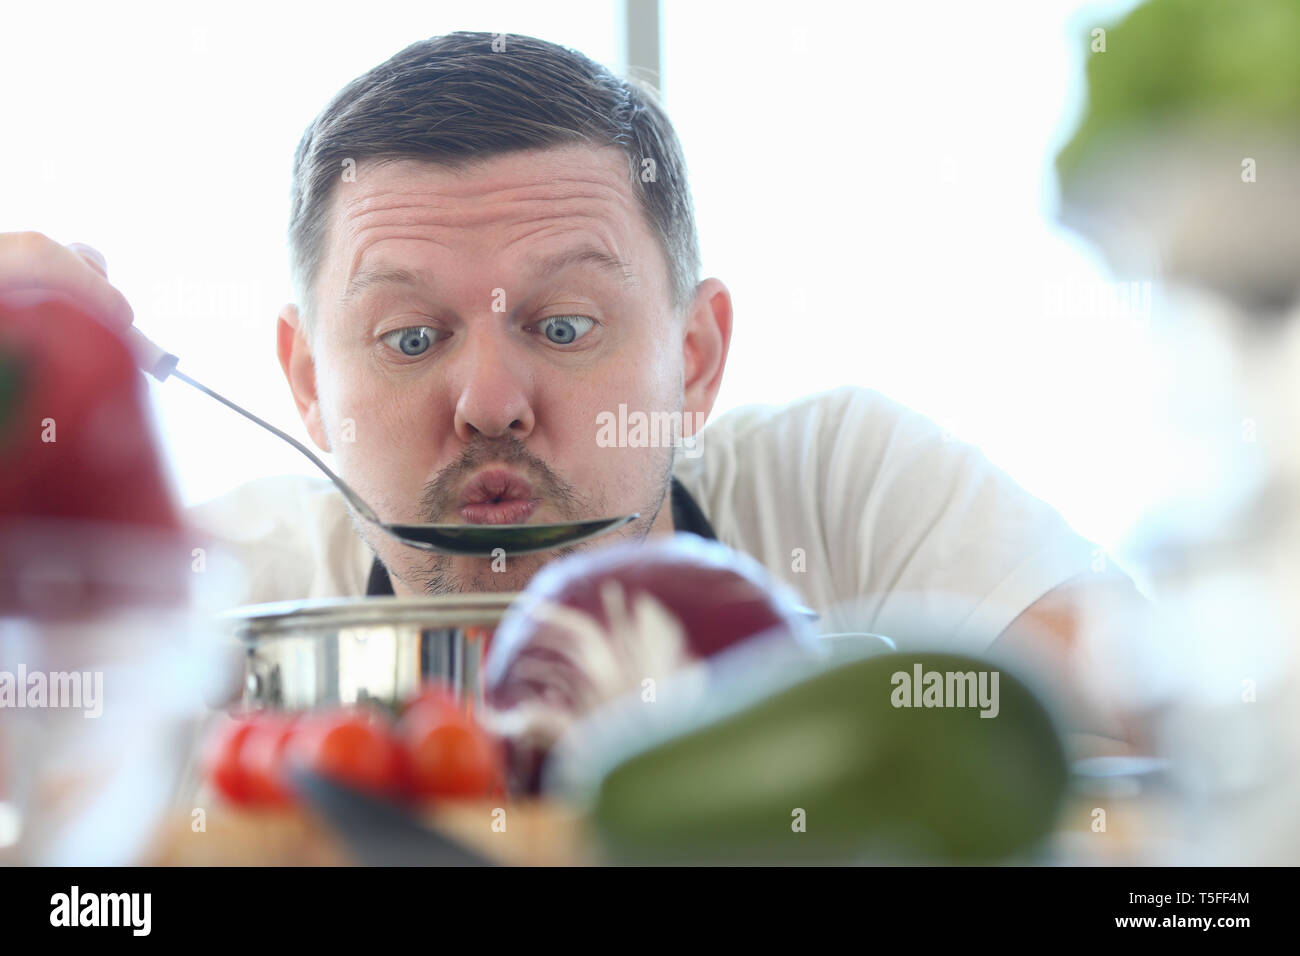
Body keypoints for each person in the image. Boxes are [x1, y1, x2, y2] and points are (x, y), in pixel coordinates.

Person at [0, 32, 1142, 736]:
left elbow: (1161, 704)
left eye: (563, 323)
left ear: (693, 359)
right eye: (408, 337)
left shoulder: (840, 493)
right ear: (305, 380)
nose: (491, 401)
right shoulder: (215, 591)